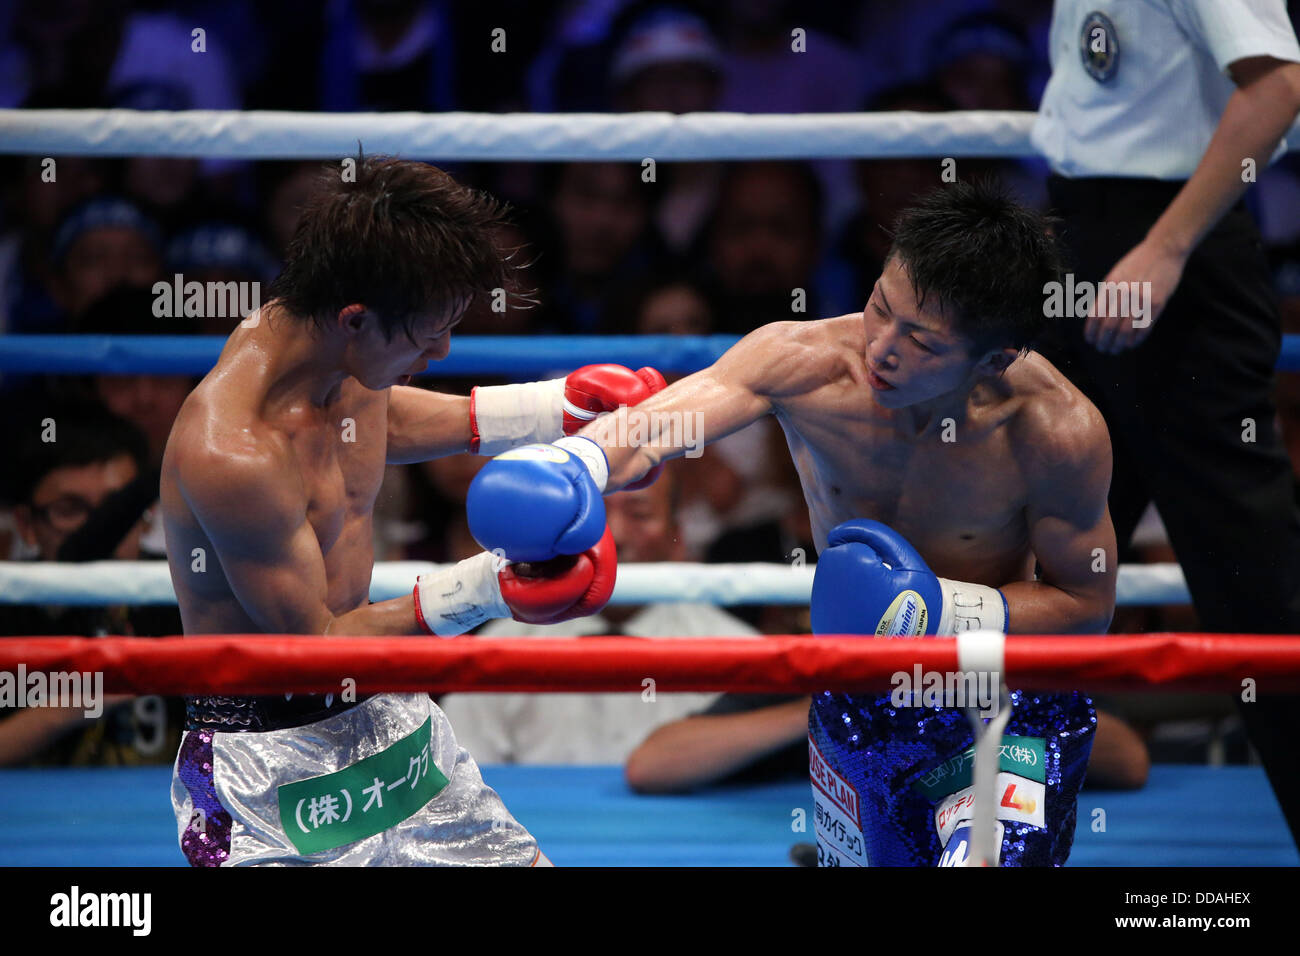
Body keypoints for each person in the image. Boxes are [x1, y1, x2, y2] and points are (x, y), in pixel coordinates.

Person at [469, 181, 1117, 866]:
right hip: (857, 695)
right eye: (880, 307)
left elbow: (1086, 605)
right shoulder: (805, 362)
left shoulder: (1056, 432)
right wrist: (576, 464)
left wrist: (939, 611)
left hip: (994, 695)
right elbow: (664, 424)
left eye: (921, 341)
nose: (882, 348)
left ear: (995, 357)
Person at [160, 155, 667, 866]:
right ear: (355, 320)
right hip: (268, 764)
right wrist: (491, 587)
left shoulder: (323, 342)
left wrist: (549, 409)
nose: (444, 350)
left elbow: (374, 419)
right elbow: (317, 647)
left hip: (384, 710)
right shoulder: (231, 453)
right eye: (428, 333)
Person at [1031, 0, 1300, 846]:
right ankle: (938, 836)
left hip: (1172, 255)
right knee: (1029, 571)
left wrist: (1167, 245)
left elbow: (1278, 85)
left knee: (1255, 588)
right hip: (1078, 240)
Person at [440, 465, 758, 765]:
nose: (615, 535)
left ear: (677, 538)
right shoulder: (500, 652)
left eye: (639, 514)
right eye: (597, 515)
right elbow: (459, 781)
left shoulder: (736, 653)